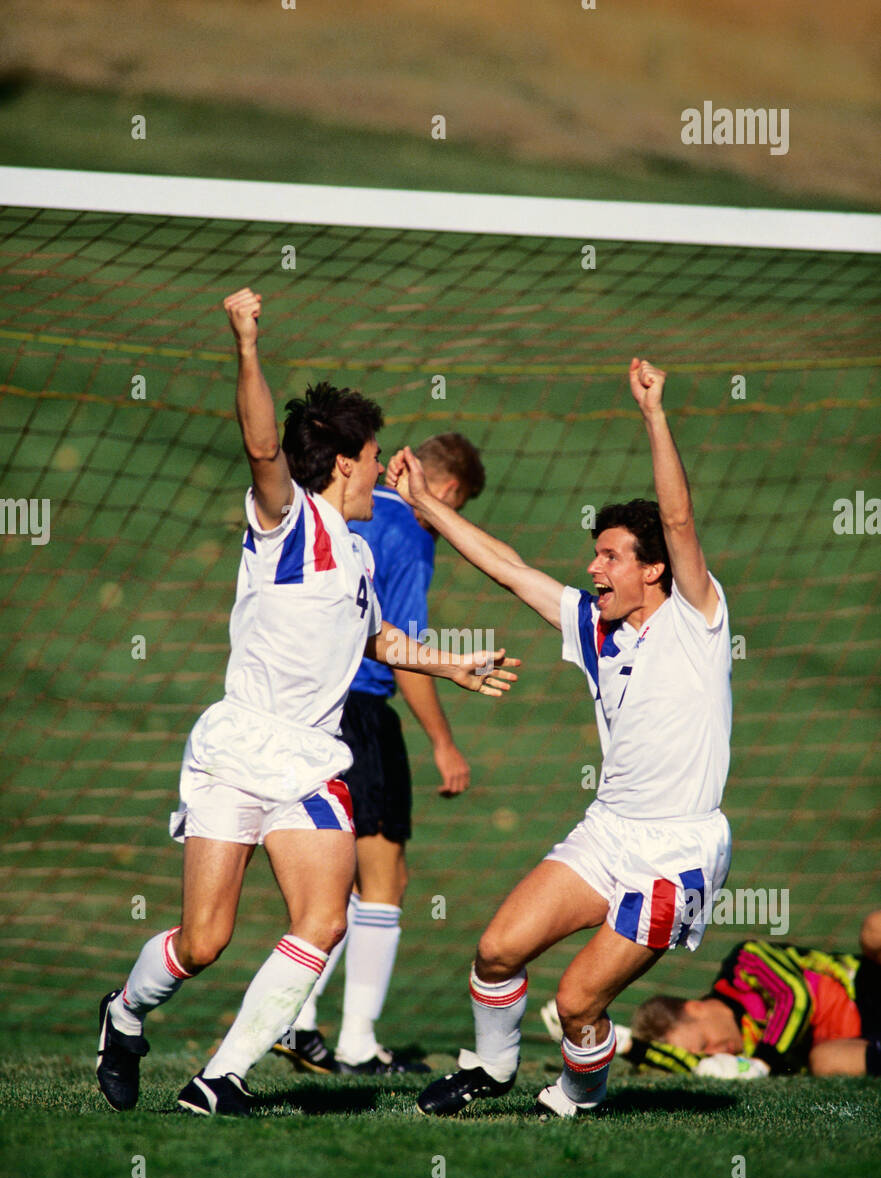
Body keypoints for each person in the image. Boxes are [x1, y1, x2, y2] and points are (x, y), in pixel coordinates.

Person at [95, 287, 518, 1118]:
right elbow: (261, 444)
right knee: (203, 940)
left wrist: (455, 665)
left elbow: (375, 641)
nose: (381, 471)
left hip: (311, 759)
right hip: (237, 749)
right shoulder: (285, 521)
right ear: (345, 463)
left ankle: (218, 1078)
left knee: (322, 919)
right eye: (374, 457)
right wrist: (247, 343)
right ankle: (123, 1014)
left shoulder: (357, 551)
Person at [388, 357, 733, 1119]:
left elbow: (677, 522)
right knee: (494, 951)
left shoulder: (694, 620)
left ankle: (578, 1096)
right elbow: (509, 571)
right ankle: (492, 1067)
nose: (593, 568)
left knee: (578, 1001)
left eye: (610, 556)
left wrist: (652, 414)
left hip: (673, 853)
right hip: (607, 831)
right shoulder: (595, 627)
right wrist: (423, 503)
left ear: (654, 571)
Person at [275, 433, 486, 1075]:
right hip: (361, 712)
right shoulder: (411, 534)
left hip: (310, 709)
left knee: (345, 876)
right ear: (447, 492)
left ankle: (306, 1023)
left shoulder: (349, 518)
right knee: (381, 875)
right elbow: (402, 646)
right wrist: (445, 743)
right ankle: (341, 1036)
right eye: (461, 507)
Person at [618, 910, 881, 1078]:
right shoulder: (742, 1051)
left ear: (694, 1009)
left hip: (868, 983)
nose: (718, 1053)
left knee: (874, 929)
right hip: (867, 1036)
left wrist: (761, 1063)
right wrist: (627, 1045)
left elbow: (794, 996)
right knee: (825, 1062)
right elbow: (691, 1066)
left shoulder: (744, 964)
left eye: (704, 1044)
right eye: (707, 1055)